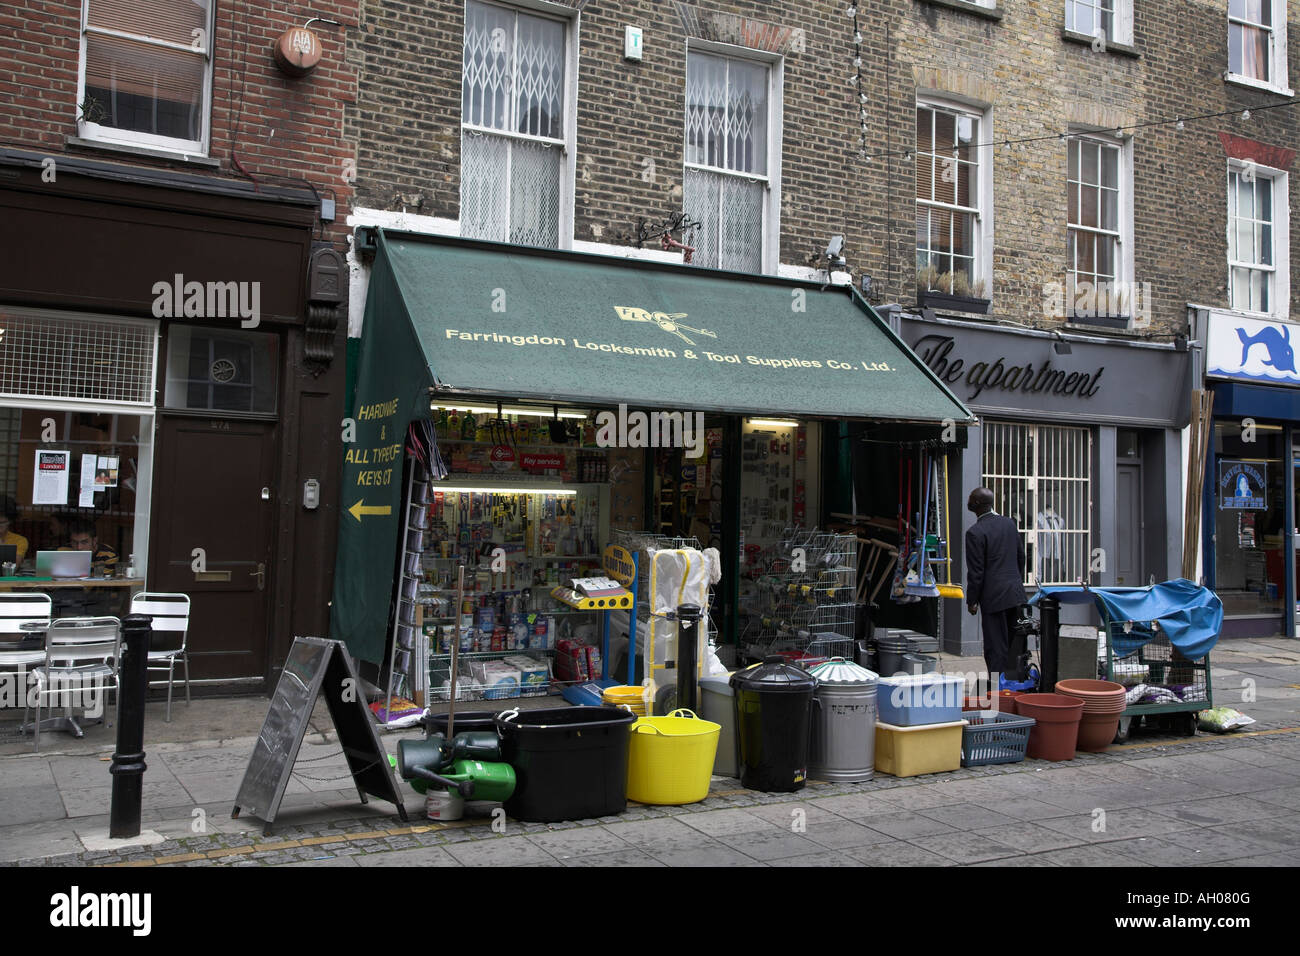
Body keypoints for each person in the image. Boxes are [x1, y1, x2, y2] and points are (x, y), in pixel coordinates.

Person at [965, 486, 1027, 683]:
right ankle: (1017, 683)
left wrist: (972, 600)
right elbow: (1021, 556)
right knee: (1016, 643)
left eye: (970, 499)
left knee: (995, 646)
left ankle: (996, 688)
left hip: (993, 597)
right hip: (1015, 594)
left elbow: (976, 572)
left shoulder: (975, 533)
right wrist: (1015, 581)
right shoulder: (1009, 523)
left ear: (975, 505)